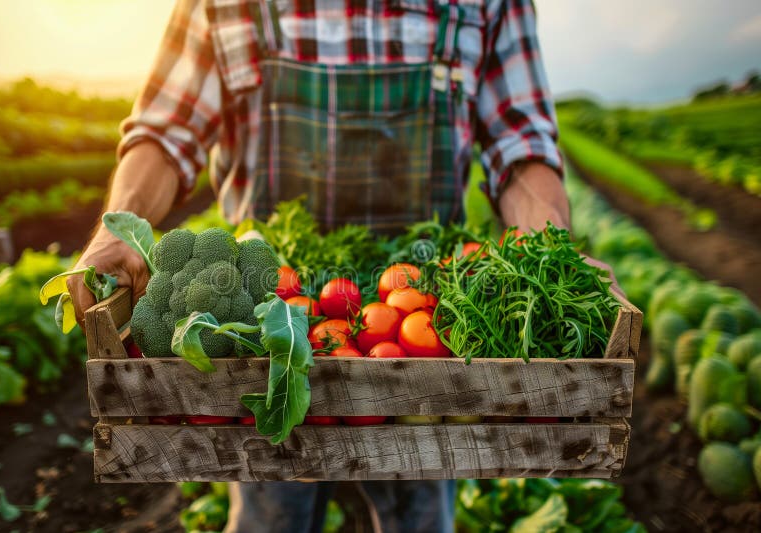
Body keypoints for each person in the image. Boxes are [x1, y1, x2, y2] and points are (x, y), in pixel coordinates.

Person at [69, 0, 614, 531]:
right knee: (271, 513)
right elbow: (167, 131)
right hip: (269, 334)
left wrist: (552, 250)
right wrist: (120, 226)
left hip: (427, 338)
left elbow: (520, 145)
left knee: (420, 514)